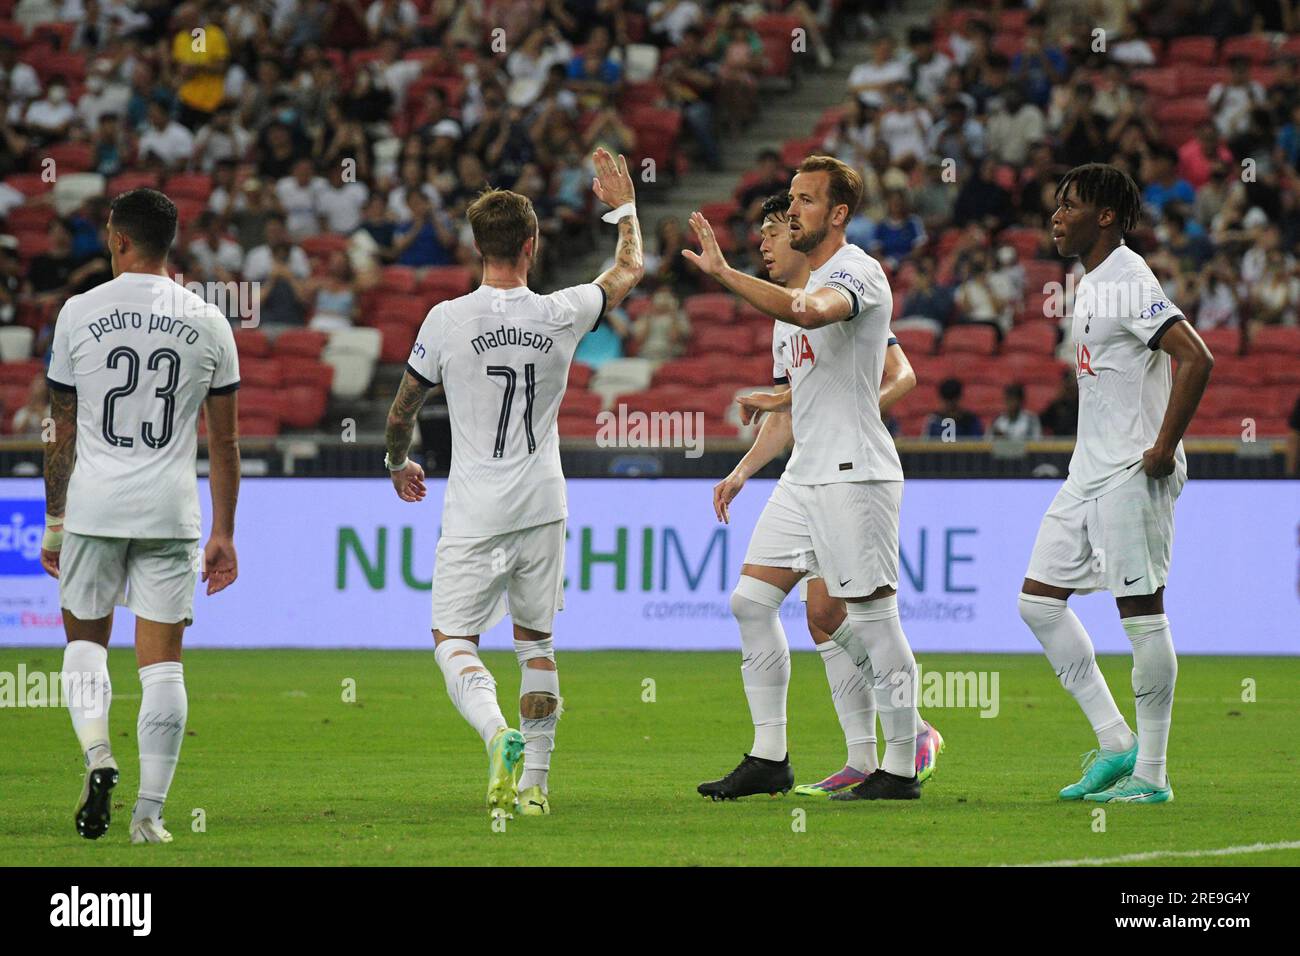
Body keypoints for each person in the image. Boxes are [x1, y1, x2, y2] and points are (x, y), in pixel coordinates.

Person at [383, 149, 644, 819]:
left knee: (454, 640)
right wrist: (625, 207)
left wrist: (397, 461)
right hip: (542, 502)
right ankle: (537, 791)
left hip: (475, 507)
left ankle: (498, 734)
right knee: (536, 642)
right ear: (531, 246)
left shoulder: (446, 320)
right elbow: (629, 270)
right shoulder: (562, 311)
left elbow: (402, 409)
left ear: (479, 248)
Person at [685, 154, 925, 802]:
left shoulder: (857, 273)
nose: (792, 211)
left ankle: (901, 766)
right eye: (791, 199)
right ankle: (770, 757)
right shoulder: (784, 318)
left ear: (838, 213)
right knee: (750, 602)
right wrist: (743, 467)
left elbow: (813, 311)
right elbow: (797, 403)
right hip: (805, 476)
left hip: (855, 474)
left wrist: (725, 274)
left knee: (873, 620)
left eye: (807, 200)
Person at [40, 188, 241, 844]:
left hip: (94, 509)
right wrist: (223, 532)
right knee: (162, 667)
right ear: (169, 242)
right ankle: (149, 816)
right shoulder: (210, 321)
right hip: (169, 512)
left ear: (117, 239)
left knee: (84, 646)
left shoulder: (78, 312)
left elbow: (60, 430)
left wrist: (53, 521)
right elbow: (226, 442)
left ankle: (100, 756)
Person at [1020, 163, 1213, 805]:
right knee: (1038, 602)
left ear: (1105, 216)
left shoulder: (1129, 280)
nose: (1056, 215)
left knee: (1141, 617)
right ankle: (1114, 742)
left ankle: (1152, 776)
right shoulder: (1092, 281)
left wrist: (1162, 447)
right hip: (1087, 471)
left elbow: (1196, 356)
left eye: (1069, 204)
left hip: (1132, 469)